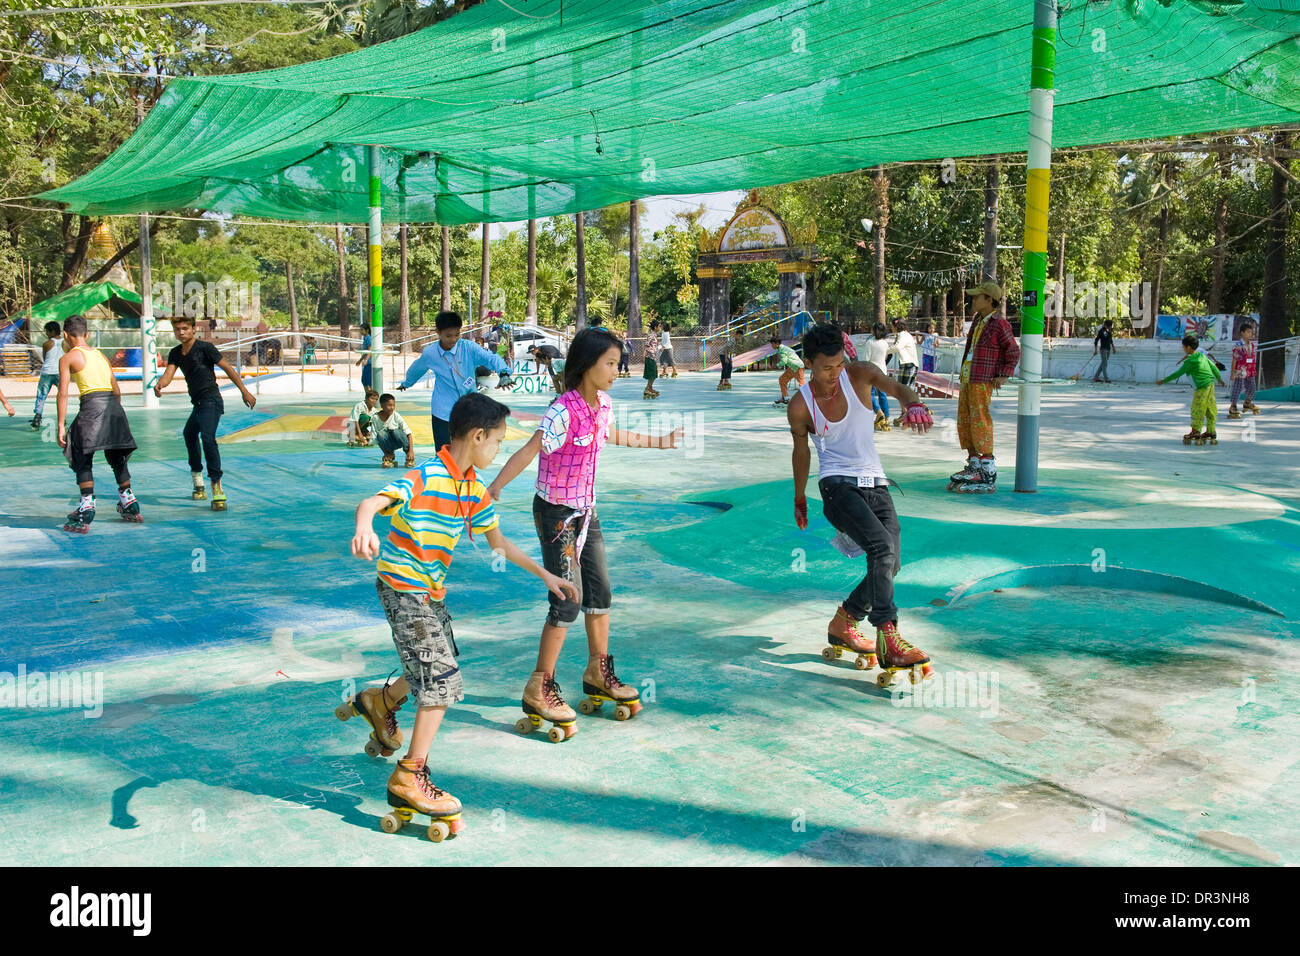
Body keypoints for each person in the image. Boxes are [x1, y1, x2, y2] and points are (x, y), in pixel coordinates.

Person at [344, 392, 578, 831]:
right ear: (477, 436)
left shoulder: (471, 488)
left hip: (429, 594)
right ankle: (410, 776)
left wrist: (546, 576)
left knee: (431, 664)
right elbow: (372, 502)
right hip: (401, 588)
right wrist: (364, 527)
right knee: (441, 678)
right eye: (497, 442)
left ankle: (378, 702)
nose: (498, 450)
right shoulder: (428, 475)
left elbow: (499, 543)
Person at [487, 329, 641, 742]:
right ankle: (540, 684)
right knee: (568, 598)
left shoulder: (603, 404)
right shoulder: (562, 411)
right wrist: (496, 486)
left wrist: (657, 442)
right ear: (587, 365)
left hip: (586, 511)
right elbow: (529, 450)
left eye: (616, 363)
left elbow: (611, 434)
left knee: (600, 590)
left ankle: (597, 670)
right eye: (609, 363)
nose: (615, 370)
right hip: (556, 513)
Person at [787, 324, 935, 686]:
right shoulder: (800, 405)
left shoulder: (861, 375)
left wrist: (911, 401)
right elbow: (801, 451)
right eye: (826, 368)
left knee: (890, 561)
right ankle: (889, 634)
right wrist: (799, 497)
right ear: (808, 364)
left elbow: (897, 387)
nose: (835, 374)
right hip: (837, 486)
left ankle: (845, 621)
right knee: (881, 549)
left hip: (877, 483)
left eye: (839, 364)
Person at [154, 315, 258, 509]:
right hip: (199, 404)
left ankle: (217, 487)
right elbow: (168, 375)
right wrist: (160, 385)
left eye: (185, 328)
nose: (181, 332)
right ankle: (197, 480)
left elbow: (228, 369)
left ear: (193, 329)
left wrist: (245, 391)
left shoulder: (205, 348)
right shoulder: (176, 352)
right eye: (177, 329)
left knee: (208, 438)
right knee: (189, 434)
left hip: (212, 401)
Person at [55, 315, 142, 533]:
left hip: (92, 407)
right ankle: (129, 502)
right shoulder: (101, 355)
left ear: (65, 335)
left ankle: (87, 507)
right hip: (114, 407)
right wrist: (114, 417)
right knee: (116, 455)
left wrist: (60, 425)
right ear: (87, 333)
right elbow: (116, 389)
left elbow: (63, 393)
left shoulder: (68, 357)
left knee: (80, 452)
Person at [397, 311, 512, 452]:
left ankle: (464, 475)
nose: (453, 340)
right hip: (443, 410)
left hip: (468, 409)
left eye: (457, 334)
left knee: (468, 452)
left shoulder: (469, 348)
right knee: (443, 453)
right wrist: (407, 383)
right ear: (438, 332)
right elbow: (417, 368)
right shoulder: (430, 353)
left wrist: (504, 372)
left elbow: (490, 358)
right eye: (448, 336)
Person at [949, 281, 1020, 493]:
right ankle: (973, 463)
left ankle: (987, 465)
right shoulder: (979, 320)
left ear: (989, 300)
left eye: (977, 296)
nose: (973, 299)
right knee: (964, 419)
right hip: (968, 378)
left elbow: (1013, 352)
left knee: (979, 419)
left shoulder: (1000, 324)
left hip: (982, 379)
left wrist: (1004, 375)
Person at [1158, 333, 1225, 445]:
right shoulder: (1202, 356)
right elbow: (1214, 367)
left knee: (1197, 408)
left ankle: (1196, 431)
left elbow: (1178, 373)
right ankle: (1211, 431)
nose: (1183, 349)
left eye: (1183, 347)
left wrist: (1163, 381)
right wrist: (1219, 379)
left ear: (1188, 347)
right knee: (1210, 408)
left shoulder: (1190, 361)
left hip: (1202, 388)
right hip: (1210, 385)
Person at [30, 320, 63, 430]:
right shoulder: (66, 343)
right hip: (60, 372)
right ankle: (62, 419)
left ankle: (37, 417)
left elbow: (45, 358)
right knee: (62, 395)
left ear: (52, 331)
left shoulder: (47, 344)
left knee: (41, 395)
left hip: (47, 372)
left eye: (47, 332)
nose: (46, 334)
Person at [889, 318, 920, 426]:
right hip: (912, 364)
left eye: (892, 326)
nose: (891, 328)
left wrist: (884, 349)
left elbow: (897, 347)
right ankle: (910, 413)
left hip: (908, 365)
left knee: (901, 391)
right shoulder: (905, 335)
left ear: (896, 326)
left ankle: (905, 413)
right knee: (908, 390)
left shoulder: (902, 335)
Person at [1228, 319, 1260, 419]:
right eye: (1248, 332)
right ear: (1242, 333)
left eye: (1251, 332)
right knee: (1238, 388)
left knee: (1252, 387)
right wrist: (1233, 373)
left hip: (1250, 370)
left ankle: (1247, 402)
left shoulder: (1252, 344)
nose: (1250, 334)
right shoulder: (1238, 346)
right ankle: (1233, 406)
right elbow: (1234, 359)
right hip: (1240, 370)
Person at [373, 393, 415, 468]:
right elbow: (376, 439)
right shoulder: (375, 418)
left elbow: (409, 434)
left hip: (399, 440)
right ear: (382, 405)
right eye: (389, 405)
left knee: (396, 432)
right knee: (381, 434)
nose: (392, 408)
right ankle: (390, 456)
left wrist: (411, 451)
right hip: (388, 445)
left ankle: (409, 458)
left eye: (393, 405)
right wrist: (386, 453)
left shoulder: (396, 416)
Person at [864, 323, 892, 430]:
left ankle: (879, 412)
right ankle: (886, 416)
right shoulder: (884, 343)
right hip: (882, 371)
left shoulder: (870, 342)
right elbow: (886, 356)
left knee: (869, 394)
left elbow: (866, 359)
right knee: (882, 394)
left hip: (871, 371)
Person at [770, 335, 806, 405]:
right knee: (782, 379)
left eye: (772, 344)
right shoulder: (783, 348)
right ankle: (785, 398)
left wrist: (777, 365)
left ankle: (807, 400)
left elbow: (784, 361)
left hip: (798, 367)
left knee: (802, 384)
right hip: (793, 367)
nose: (772, 346)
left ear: (777, 343)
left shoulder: (782, 349)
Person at [1093, 319, 1116, 383]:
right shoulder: (1101, 331)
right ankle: (1106, 379)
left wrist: (1113, 348)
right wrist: (1095, 350)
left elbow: (1110, 340)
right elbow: (1096, 341)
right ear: (1106, 325)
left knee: (1103, 364)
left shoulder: (1109, 331)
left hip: (1108, 349)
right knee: (1105, 364)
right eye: (1109, 326)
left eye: (1110, 326)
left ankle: (1096, 377)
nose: (1110, 327)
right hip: (1103, 350)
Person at [642, 326, 660, 399]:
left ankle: (649, 388)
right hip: (649, 356)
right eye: (658, 326)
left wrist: (660, 348)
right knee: (651, 373)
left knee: (654, 373)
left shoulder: (655, 335)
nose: (659, 327)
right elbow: (646, 344)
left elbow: (654, 346)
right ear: (655, 327)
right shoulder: (651, 335)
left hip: (653, 356)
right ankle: (648, 388)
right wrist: (644, 354)